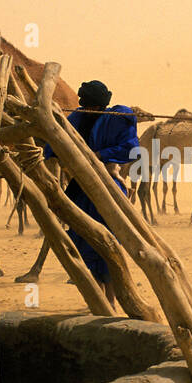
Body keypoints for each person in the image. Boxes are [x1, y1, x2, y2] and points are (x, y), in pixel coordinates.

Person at [46, 80, 138, 309]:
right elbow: (55, 145)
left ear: (99, 105)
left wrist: (98, 155)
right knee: (84, 241)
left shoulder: (116, 119)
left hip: (108, 186)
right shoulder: (77, 118)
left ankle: (112, 300)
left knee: (110, 244)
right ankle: (99, 301)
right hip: (81, 188)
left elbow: (129, 148)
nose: (84, 107)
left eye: (88, 104)